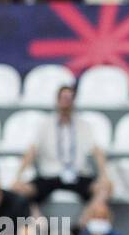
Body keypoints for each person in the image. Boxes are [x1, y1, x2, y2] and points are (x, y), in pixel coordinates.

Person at [13, 84, 111, 219]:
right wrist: (18, 176)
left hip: (77, 175)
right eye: (63, 98)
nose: (66, 102)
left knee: (104, 189)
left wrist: (104, 175)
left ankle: (80, 226)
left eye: (69, 98)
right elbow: (32, 150)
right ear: (57, 100)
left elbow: (96, 150)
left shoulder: (84, 125)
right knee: (18, 190)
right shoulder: (45, 124)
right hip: (50, 175)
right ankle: (39, 223)